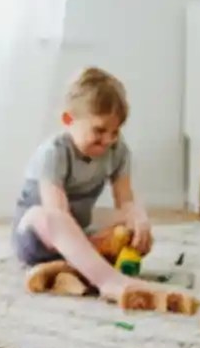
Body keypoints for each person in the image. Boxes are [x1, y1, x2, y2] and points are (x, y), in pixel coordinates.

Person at [11, 67, 188, 310]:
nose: (108, 140)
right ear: (68, 120)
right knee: (52, 217)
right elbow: (57, 214)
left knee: (128, 224)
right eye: (99, 130)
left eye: (115, 132)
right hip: (38, 238)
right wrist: (90, 241)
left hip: (78, 235)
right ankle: (107, 280)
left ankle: (73, 269)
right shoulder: (53, 153)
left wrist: (138, 221)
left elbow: (125, 200)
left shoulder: (117, 151)